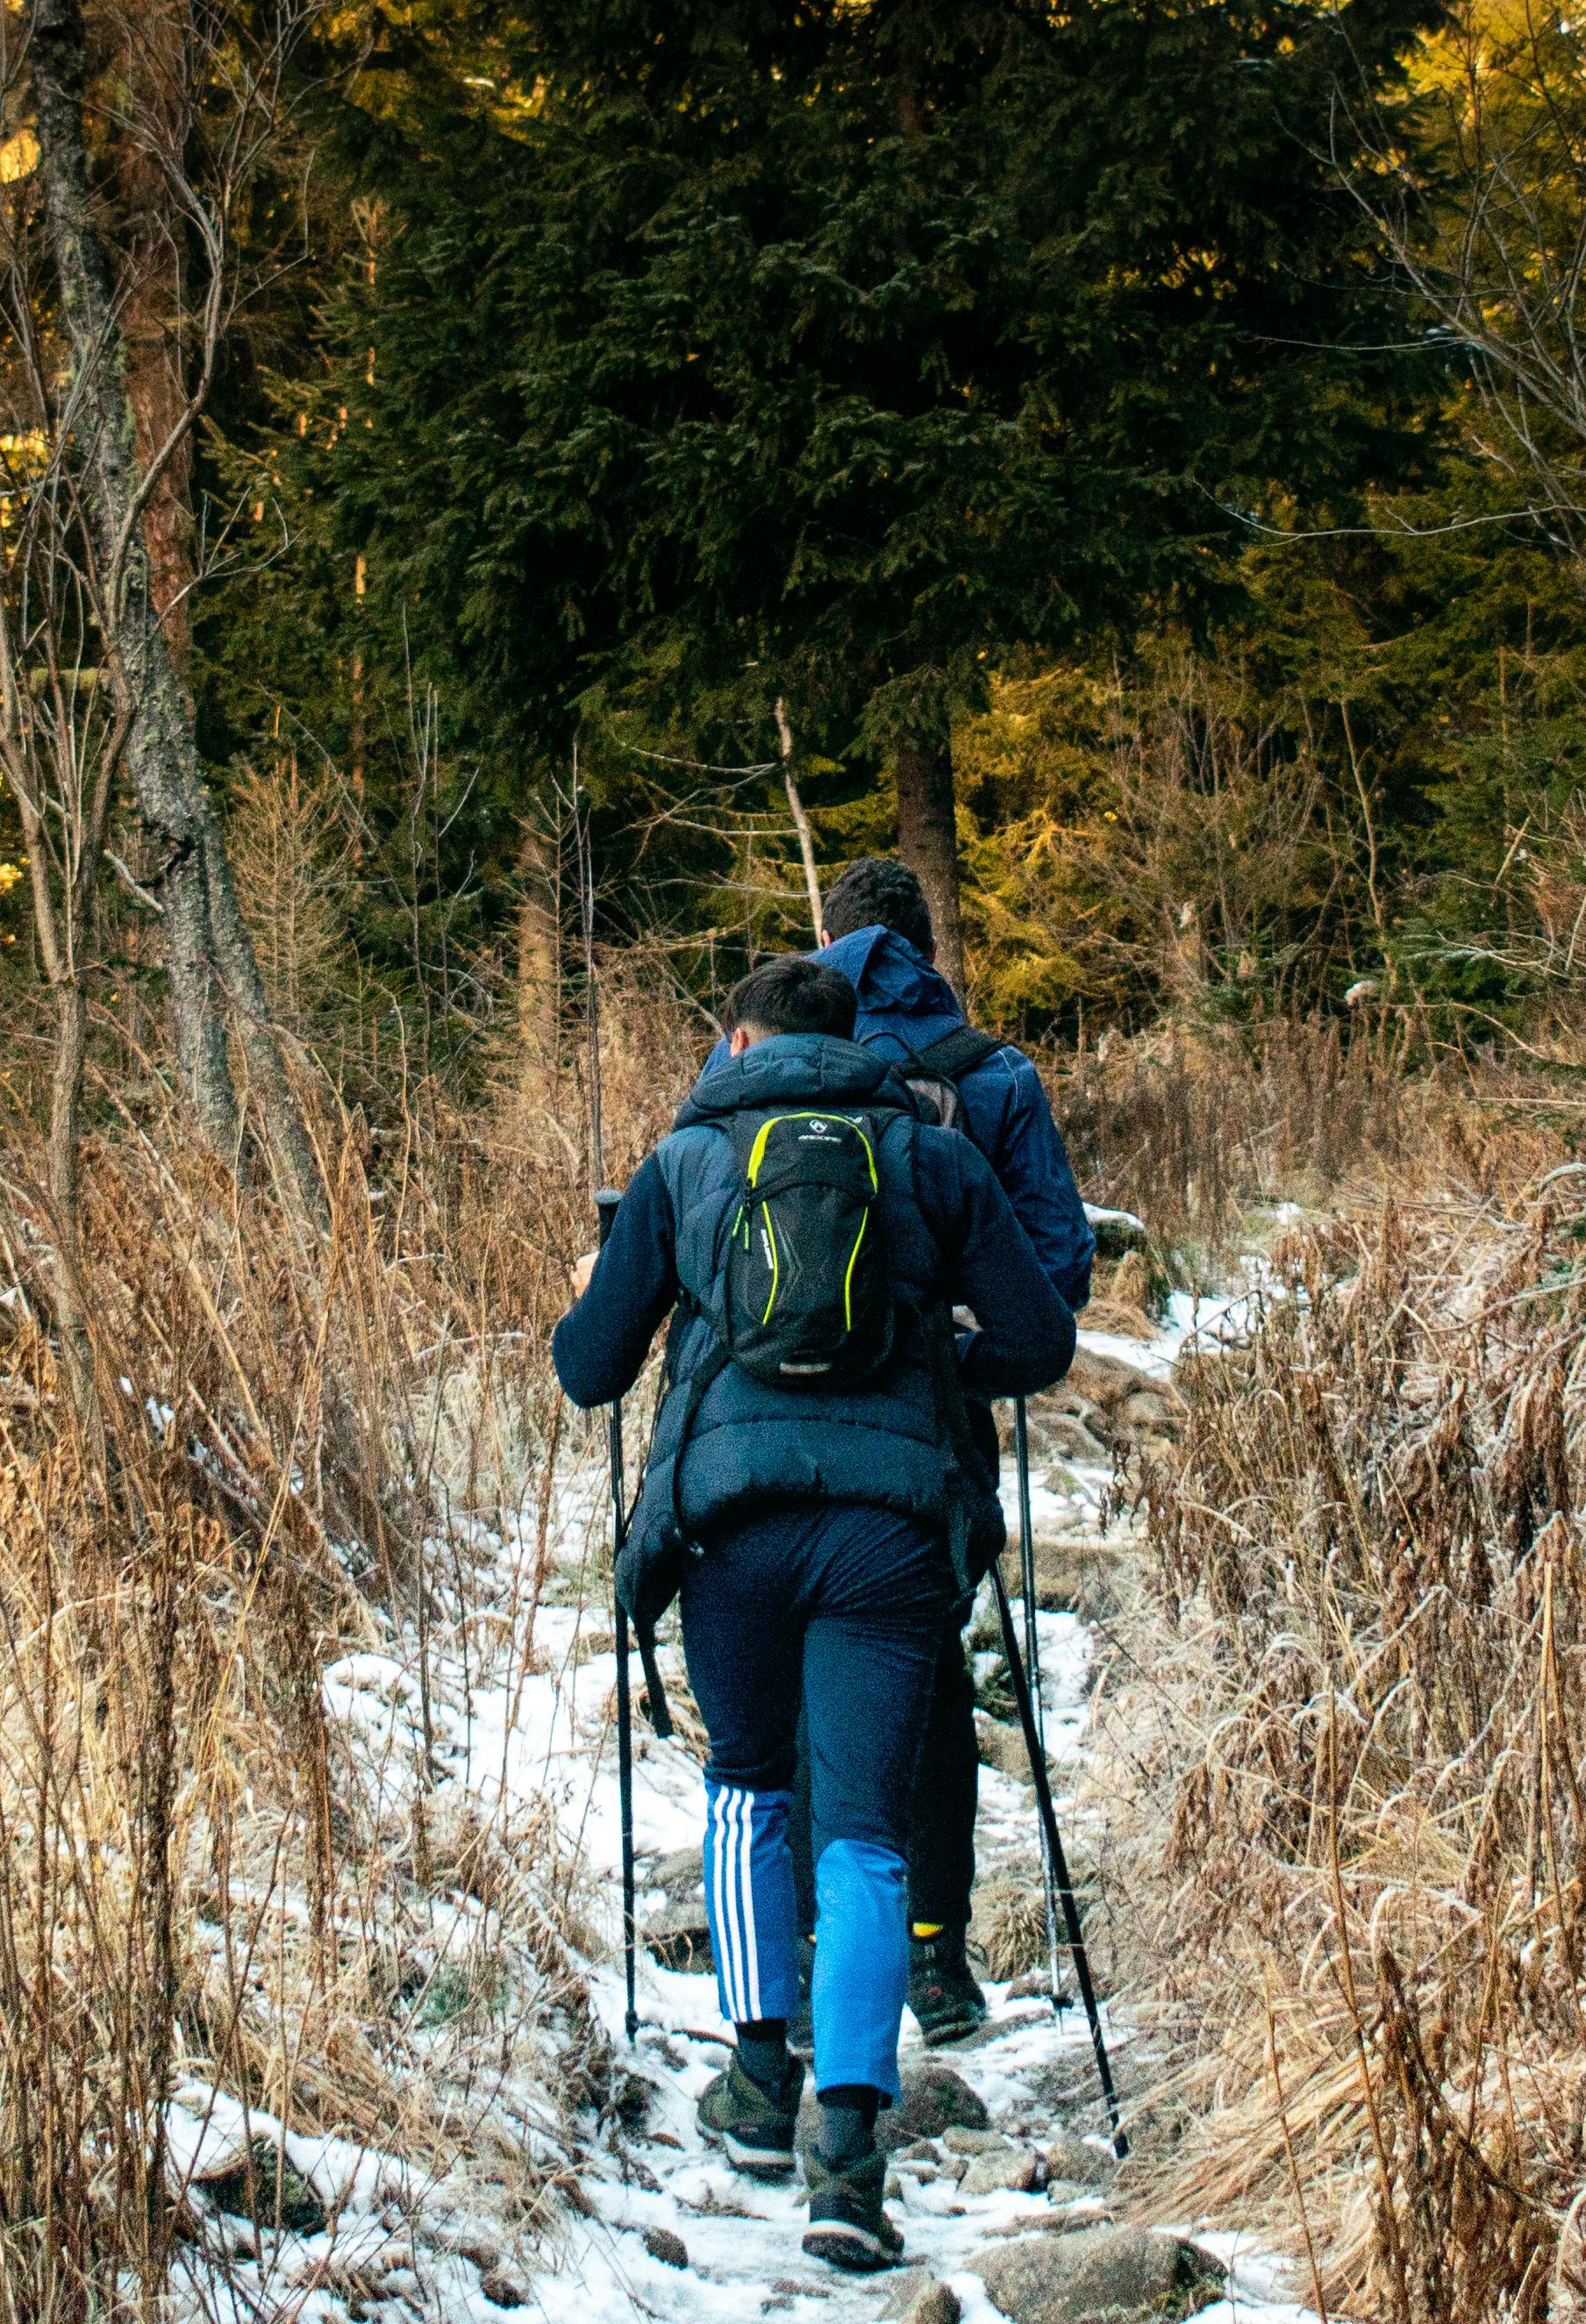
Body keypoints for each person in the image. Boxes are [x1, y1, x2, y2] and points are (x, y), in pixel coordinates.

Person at [554, 952, 1076, 2273]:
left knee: (746, 1789)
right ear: (857, 1038)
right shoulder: (930, 1153)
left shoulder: (688, 1158)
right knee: (863, 1828)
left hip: (733, 1523)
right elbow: (1038, 1341)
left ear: (737, 1042)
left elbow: (588, 1367)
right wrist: (936, 1360)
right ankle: (850, 2153)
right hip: (890, 1531)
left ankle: (754, 2082)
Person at [808, 855, 1089, 2044]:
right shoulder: (996, 1078)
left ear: (826, 948)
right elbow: (1058, 1275)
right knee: (921, 1694)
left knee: (798, 1696)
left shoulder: (770, 1070)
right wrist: (956, 1358)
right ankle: (936, 1962)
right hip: (929, 1442)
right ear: (931, 949)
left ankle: (809, 1977)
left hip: (779, 1430)